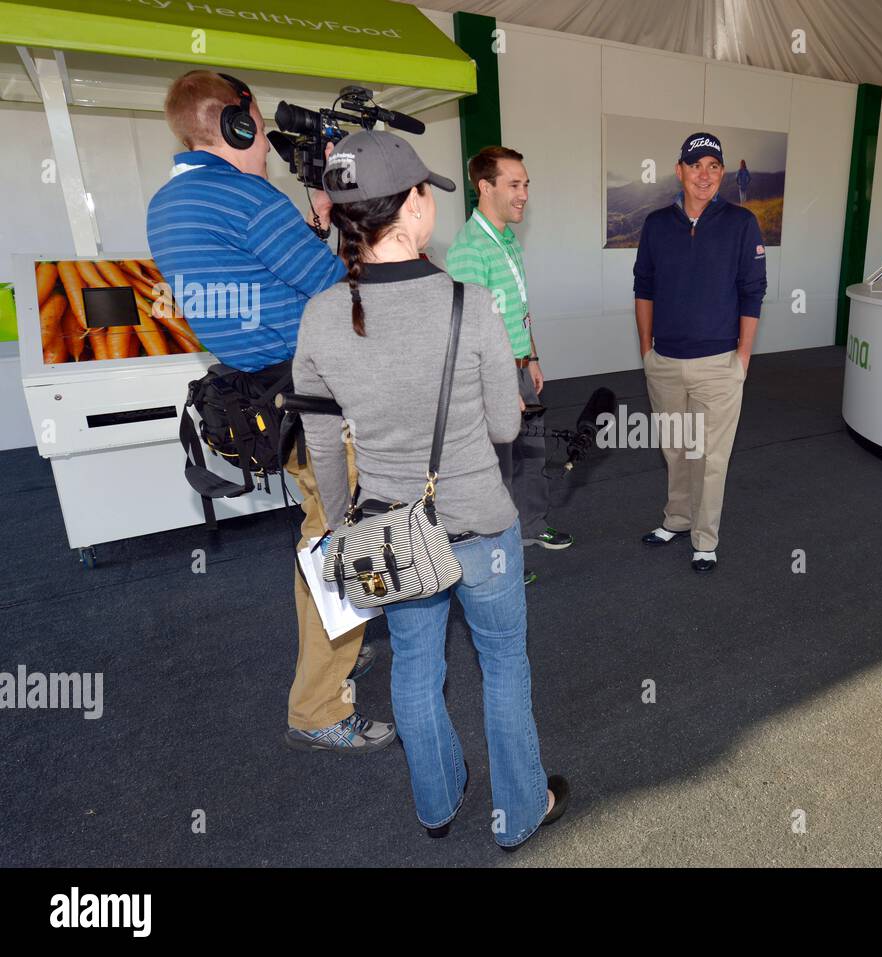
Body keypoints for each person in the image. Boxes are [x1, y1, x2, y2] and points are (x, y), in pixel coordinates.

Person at [294, 130, 568, 848]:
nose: (429, 205)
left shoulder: (321, 315)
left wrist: (339, 521)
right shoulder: (468, 303)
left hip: (390, 533)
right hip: (480, 522)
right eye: (425, 193)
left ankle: (438, 802)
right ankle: (517, 813)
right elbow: (508, 427)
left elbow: (323, 446)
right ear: (411, 209)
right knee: (504, 663)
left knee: (416, 667)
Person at [146, 71, 391, 753]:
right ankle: (319, 705)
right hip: (317, 397)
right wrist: (353, 228)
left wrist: (311, 224)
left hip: (264, 397)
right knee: (342, 539)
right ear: (236, 125)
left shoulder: (169, 202)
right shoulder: (249, 199)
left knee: (319, 534)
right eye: (255, 121)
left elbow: (259, 275)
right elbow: (340, 288)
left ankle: (339, 641)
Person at [633, 133, 767, 573]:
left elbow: (753, 292)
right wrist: (646, 352)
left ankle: (704, 538)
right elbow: (644, 289)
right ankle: (676, 518)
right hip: (665, 362)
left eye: (713, 166)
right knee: (675, 448)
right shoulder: (656, 224)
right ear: (680, 170)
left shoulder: (742, 223)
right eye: (696, 165)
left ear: (723, 173)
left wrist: (743, 357)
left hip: (719, 364)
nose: (704, 174)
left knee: (710, 456)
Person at [446, 147, 573, 586]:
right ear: (486, 187)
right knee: (496, 471)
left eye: (526, 185)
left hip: (519, 368)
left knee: (531, 456)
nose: (523, 195)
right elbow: (474, 334)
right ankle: (498, 562)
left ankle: (533, 528)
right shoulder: (468, 250)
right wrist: (504, 385)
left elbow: (517, 309)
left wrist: (531, 356)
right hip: (493, 376)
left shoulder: (507, 238)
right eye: (514, 185)